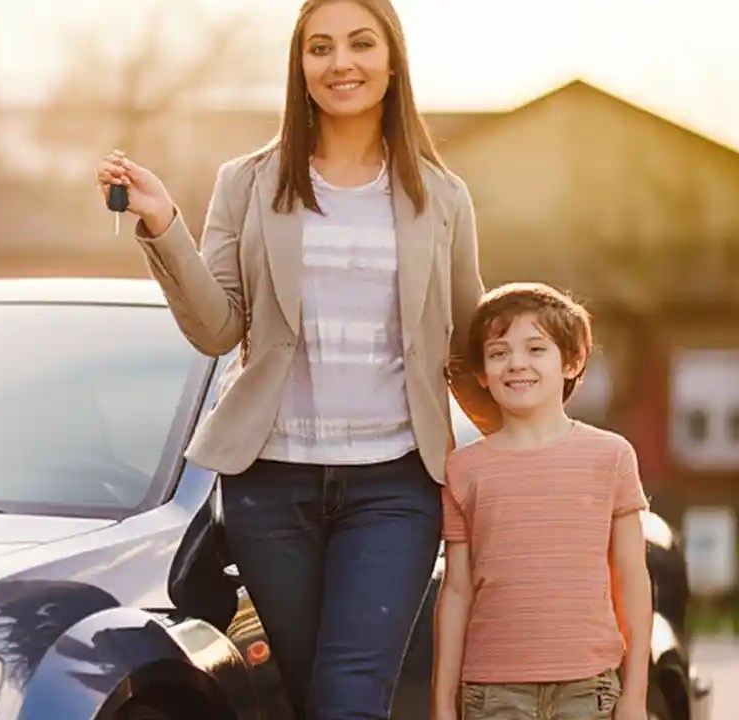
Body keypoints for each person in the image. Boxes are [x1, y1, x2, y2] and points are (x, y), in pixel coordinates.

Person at [95, 0, 499, 715]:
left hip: (395, 489)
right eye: (320, 48)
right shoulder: (248, 182)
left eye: (360, 43)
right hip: (271, 486)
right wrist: (162, 225)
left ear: (393, 59)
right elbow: (218, 329)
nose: (340, 62)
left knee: (348, 698)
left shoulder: (443, 198)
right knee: (314, 696)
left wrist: (533, 440)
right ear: (300, 66)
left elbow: (468, 344)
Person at [431, 282, 653, 720]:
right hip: (492, 694)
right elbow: (455, 592)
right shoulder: (463, 469)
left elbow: (633, 579)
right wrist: (442, 703)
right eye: (498, 353)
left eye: (536, 349)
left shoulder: (611, 456)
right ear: (481, 374)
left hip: (588, 688)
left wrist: (636, 693)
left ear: (571, 363)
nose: (517, 364)